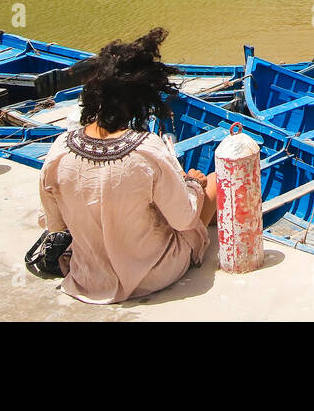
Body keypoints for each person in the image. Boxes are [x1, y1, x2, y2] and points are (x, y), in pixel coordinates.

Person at [38, 27, 218, 304]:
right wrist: (193, 183)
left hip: (87, 277)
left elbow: (54, 226)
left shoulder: (60, 147)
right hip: (151, 276)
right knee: (217, 183)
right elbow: (183, 220)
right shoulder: (147, 149)